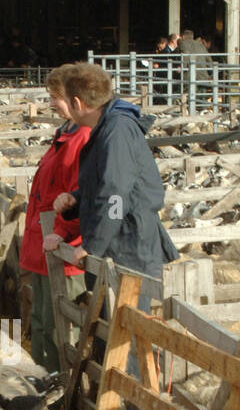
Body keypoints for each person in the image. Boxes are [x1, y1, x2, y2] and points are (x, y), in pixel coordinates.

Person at [51, 62, 178, 283]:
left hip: (127, 251)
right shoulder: (108, 129)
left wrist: (93, 245)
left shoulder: (116, 131)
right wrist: (77, 199)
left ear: (77, 103)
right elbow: (110, 185)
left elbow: (116, 194)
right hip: (120, 245)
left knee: (125, 316)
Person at [19, 65, 91, 373]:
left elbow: (79, 196)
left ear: (75, 99)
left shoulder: (83, 140)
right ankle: (41, 381)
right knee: (42, 319)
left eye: (55, 97)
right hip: (44, 242)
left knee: (61, 324)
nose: (50, 104)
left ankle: (63, 387)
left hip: (64, 249)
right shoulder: (64, 133)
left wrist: (64, 233)